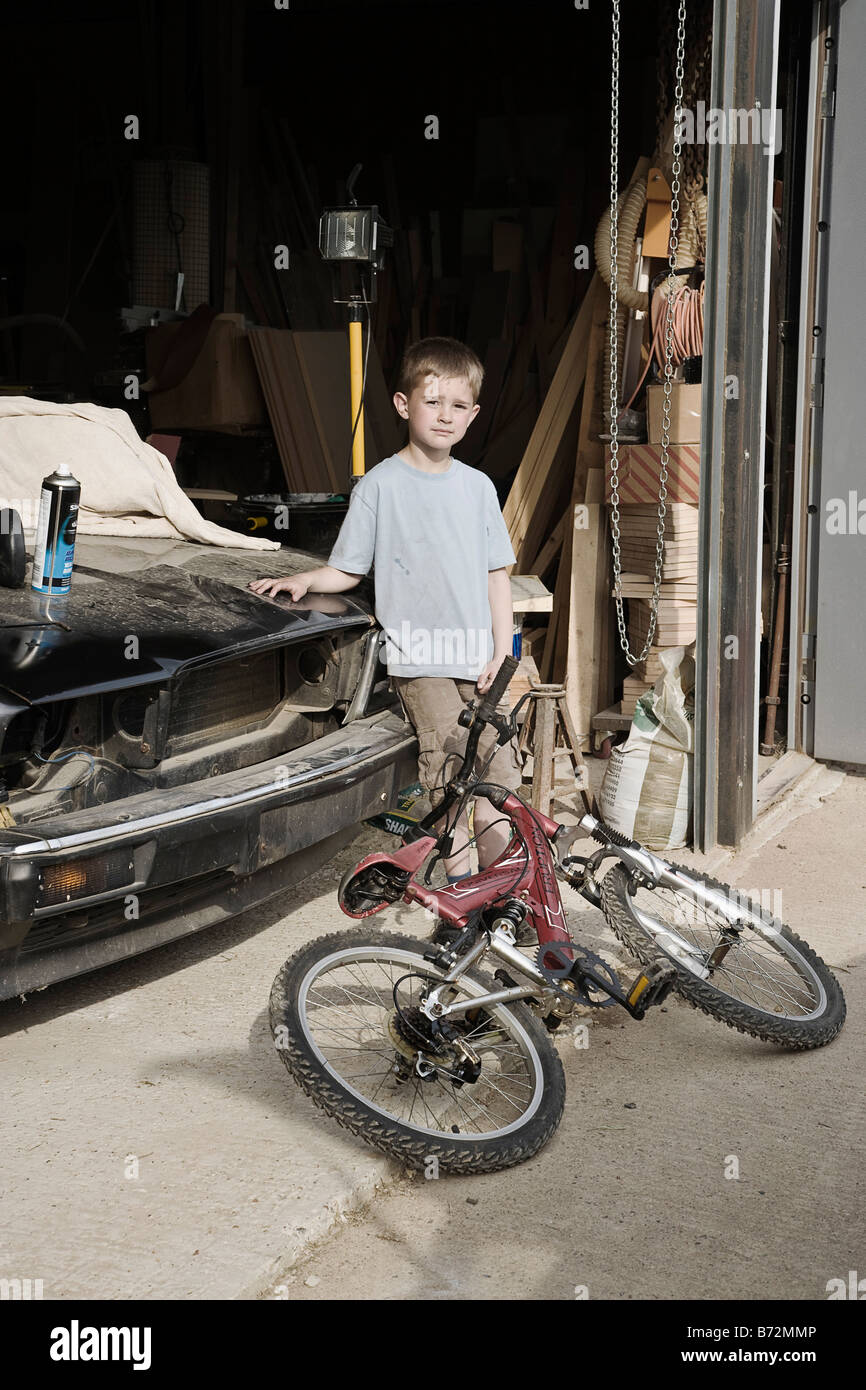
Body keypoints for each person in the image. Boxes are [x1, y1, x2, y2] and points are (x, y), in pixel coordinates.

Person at [249, 336, 522, 882]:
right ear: (403, 405)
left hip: (480, 661)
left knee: (498, 779)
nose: (445, 416)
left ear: (473, 414)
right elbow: (348, 569)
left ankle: (506, 895)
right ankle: (461, 901)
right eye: (433, 401)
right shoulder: (380, 486)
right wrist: (304, 579)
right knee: (449, 778)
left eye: (459, 406)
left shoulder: (478, 488)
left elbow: (498, 575)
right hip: (421, 661)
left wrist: (503, 648)